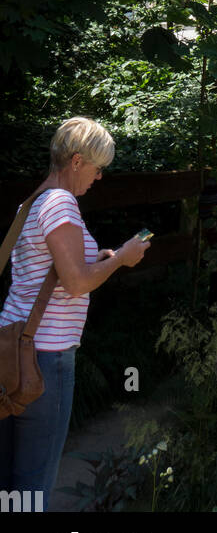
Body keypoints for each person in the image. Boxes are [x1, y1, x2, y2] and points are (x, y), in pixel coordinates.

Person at [0, 117, 150, 507]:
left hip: (8, 351)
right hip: (44, 359)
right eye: (98, 168)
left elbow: (49, 271)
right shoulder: (62, 202)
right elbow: (77, 283)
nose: (99, 178)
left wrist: (99, 258)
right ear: (78, 161)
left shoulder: (30, 202)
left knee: (7, 480)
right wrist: (123, 260)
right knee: (32, 482)